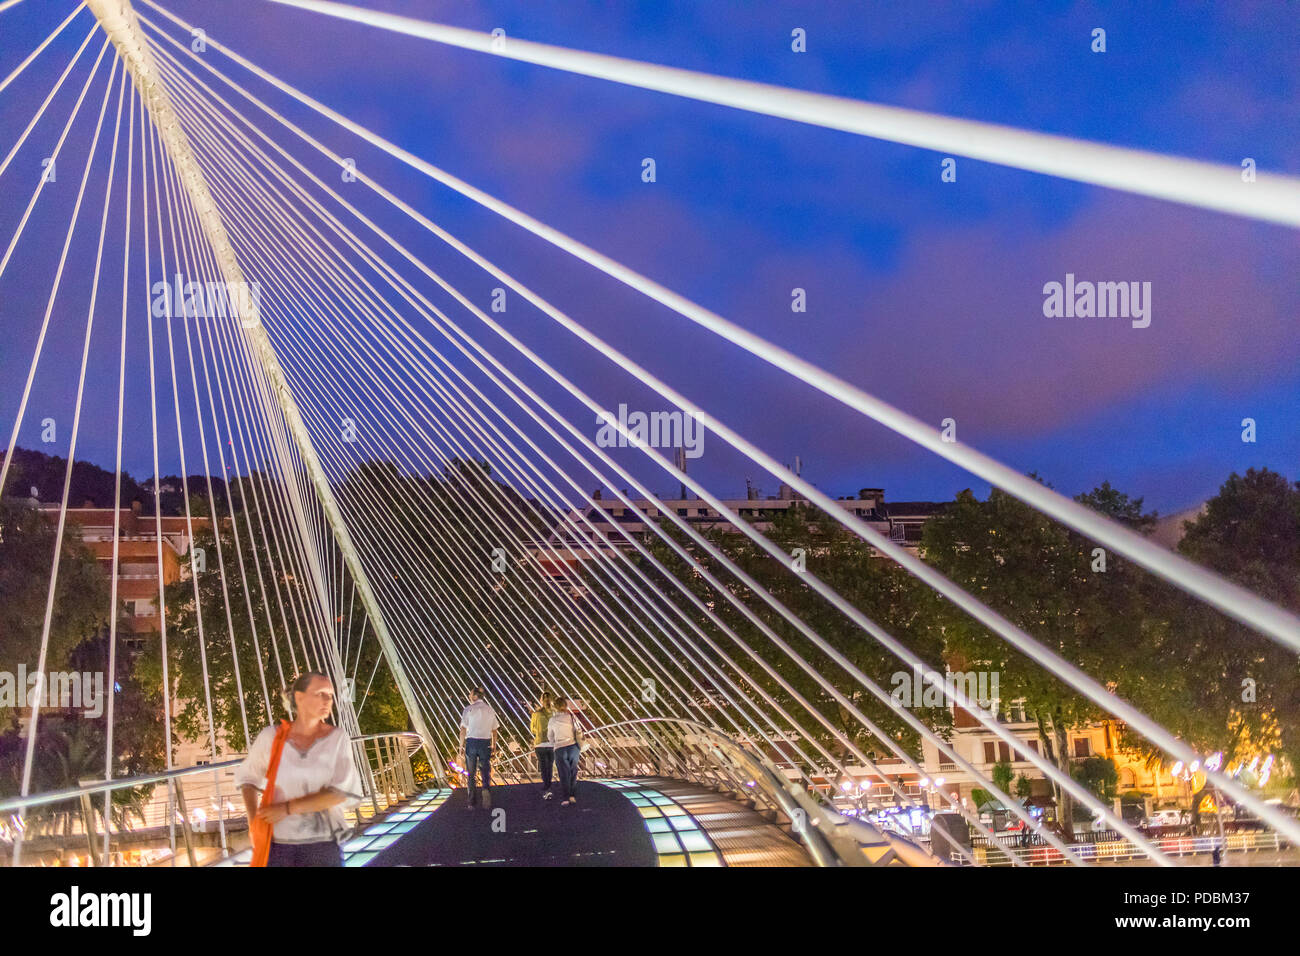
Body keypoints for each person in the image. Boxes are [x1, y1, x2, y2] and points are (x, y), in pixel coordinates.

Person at [235, 672, 364, 867]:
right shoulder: (271, 737)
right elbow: (248, 778)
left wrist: (287, 809)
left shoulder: (337, 738)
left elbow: (340, 793)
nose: (328, 700)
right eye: (320, 693)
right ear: (300, 698)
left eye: (330, 695)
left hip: (322, 844)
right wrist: (253, 821)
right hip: (277, 846)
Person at [458, 686, 499, 810]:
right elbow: (495, 730)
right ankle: (486, 789)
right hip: (485, 742)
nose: (469, 697)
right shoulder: (490, 710)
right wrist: (494, 745)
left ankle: (471, 802)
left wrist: (461, 746)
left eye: (471, 695)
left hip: (471, 742)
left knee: (471, 773)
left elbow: (463, 729)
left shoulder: (468, 709)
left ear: (475, 696)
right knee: (485, 769)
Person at [547, 696, 583, 807]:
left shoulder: (552, 720)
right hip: (573, 747)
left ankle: (565, 798)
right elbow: (579, 730)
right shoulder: (571, 717)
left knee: (564, 774)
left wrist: (554, 743)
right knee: (573, 772)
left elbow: (550, 736)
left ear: (555, 707)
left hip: (560, 748)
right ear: (565, 706)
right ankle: (572, 795)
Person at [528, 693, 556, 800]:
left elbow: (532, 729)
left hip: (540, 743)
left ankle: (547, 785)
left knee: (543, 766)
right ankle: (549, 785)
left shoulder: (536, 714)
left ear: (541, 700)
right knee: (550, 765)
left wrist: (539, 730)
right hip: (552, 742)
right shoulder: (555, 713)